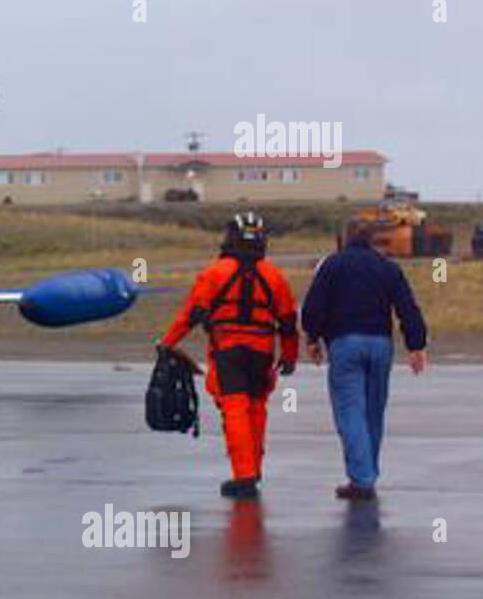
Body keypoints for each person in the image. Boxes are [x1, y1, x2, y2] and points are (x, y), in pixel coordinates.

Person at [159, 212, 299, 498]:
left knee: (235, 409)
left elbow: (191, 314)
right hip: (261, 353)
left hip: (228, 351)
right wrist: (289, 356)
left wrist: (167, 343)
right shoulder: (274, 276)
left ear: (231, 237)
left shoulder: (214, 273)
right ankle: (254, 470)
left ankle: (244, 475)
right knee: (256, 409)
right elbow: (287, 321)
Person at [301, 219, 428, 501]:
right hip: (380, 345)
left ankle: (362, 479)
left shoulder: (332, 265)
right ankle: (366, 472)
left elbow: (313, 308)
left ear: (344, 237)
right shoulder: (387, 267)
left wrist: (313, 338)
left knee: (350, 411)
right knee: (373, 412)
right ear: (372, 239)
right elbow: (407, 307)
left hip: (345, 344)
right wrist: (416, 345)